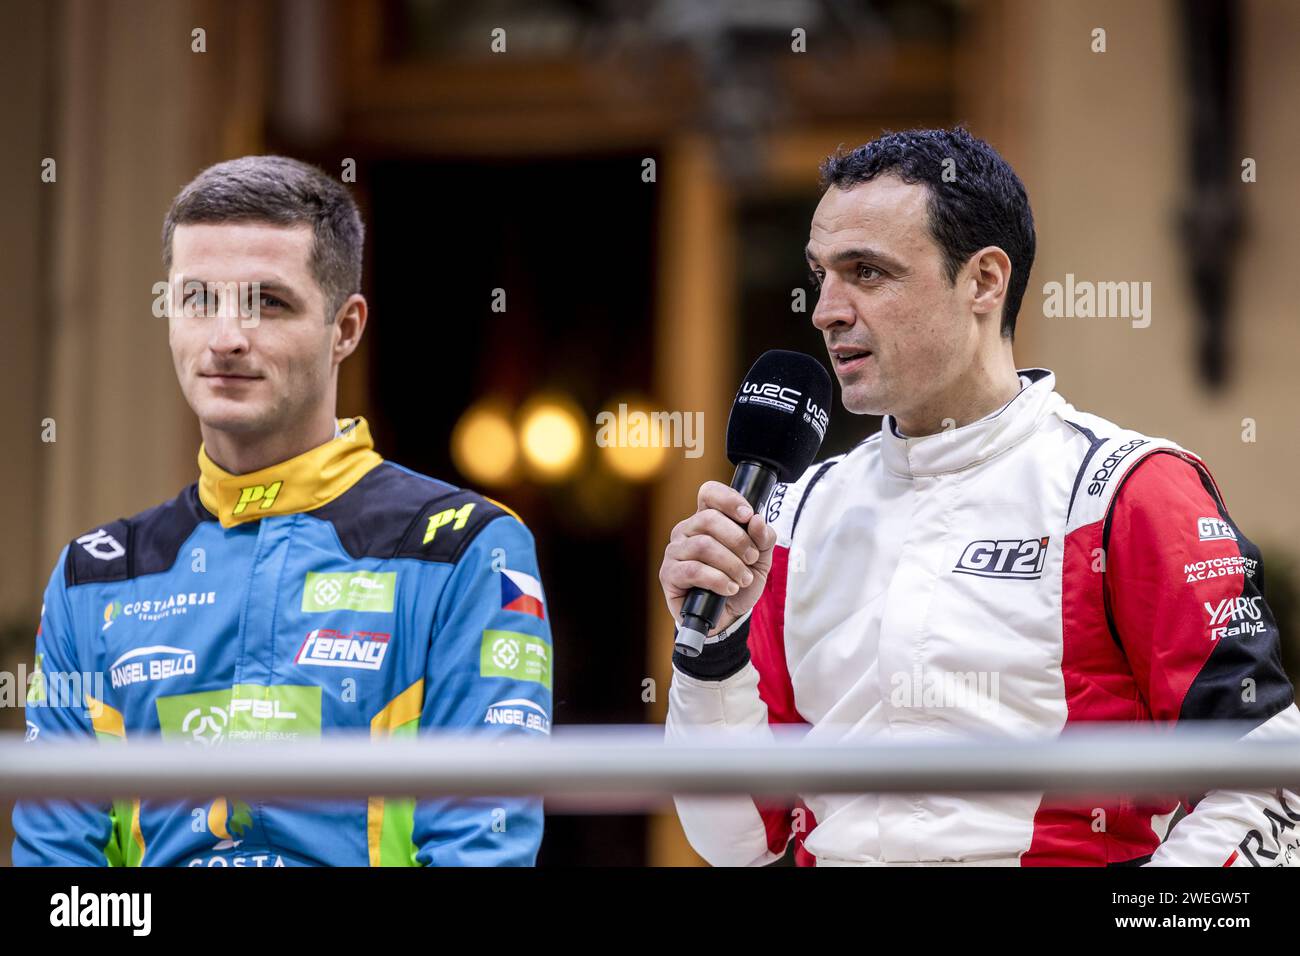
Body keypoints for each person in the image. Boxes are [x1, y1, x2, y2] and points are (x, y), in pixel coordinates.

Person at [659, 127, 1299, 867]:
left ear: (985, 282)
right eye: (821, 274)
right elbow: (737, 843)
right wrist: (710, 652)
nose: (825, 310)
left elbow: (1268, 786)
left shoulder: (1128, 489)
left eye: (865, 272)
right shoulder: (796, 513)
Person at [14, 156, 553, 867]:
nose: (227, 337)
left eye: (268, 301)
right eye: (198, 299)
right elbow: (61, 883)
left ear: (346, 328)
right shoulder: (94, 577)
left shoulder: (464, 550)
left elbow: (481, 852)